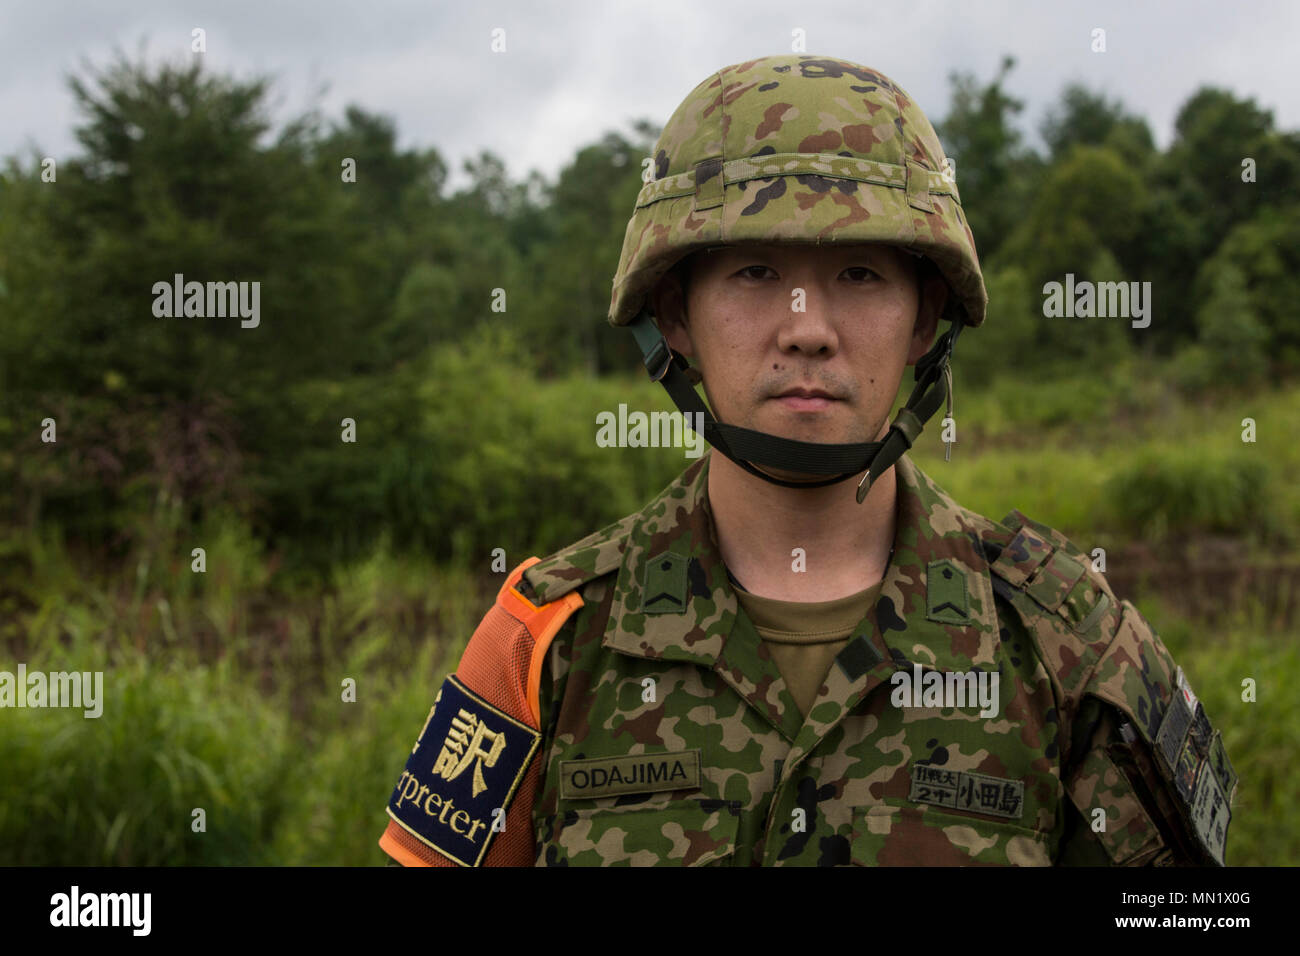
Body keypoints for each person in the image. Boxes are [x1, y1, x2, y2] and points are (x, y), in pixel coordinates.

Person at [378, 54, 1236, 867]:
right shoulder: (546, 644)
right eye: (755, 272)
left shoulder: (1066, 640)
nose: (808, 329)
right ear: (675, 318)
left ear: (925, 322)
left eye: (860, 275)